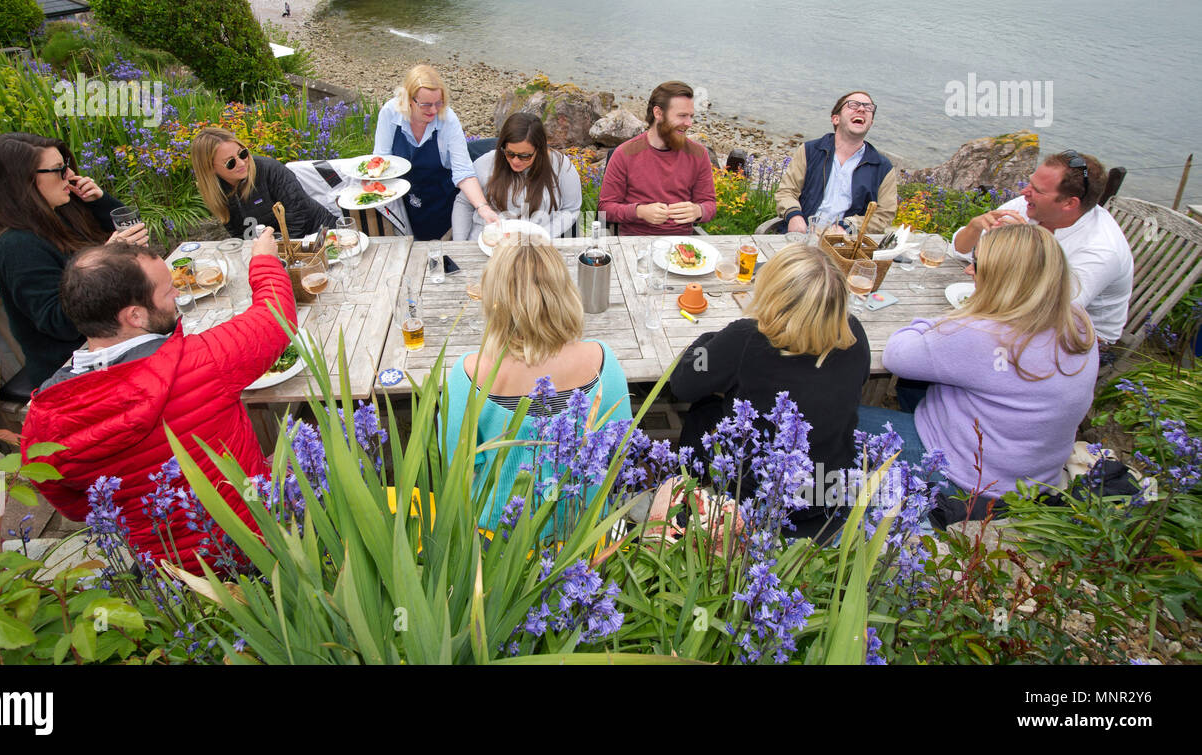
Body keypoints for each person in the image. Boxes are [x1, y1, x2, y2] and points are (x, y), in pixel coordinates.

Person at [20, 226, 296, 570]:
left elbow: (78, 508)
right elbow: (275, 317)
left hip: (168, 575)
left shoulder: (41, 418)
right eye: (168, 292)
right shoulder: (203, 361)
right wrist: (264, 260)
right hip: (255, 544)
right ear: (135, 316)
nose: (178, 295)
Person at [876, 223, 1098, 500]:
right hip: (1036, 478)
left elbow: (896, 353)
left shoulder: (981, 334)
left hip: (969, 481)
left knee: (833, 421)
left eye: (977, 265)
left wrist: (959, 314)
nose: (969, 270)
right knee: (918, 383)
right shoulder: (1077, 322)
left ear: (1004, 281)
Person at [669, 244, 870, 537]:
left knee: (703, 414)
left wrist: (710, 340)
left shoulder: (748, 338)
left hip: (763, 495)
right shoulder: (852, 331)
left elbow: (683, 382)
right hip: (830, 492)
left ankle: (687, 509)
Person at [442, 240, 633, 531]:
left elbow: (456, 466)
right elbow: (620, 451)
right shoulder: (602, 362)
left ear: (495, 301)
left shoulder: (468, 374)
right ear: (565, 293)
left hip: (497, 532)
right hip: (581, 526)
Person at [0, 132, 148, 389]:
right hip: (72, 369)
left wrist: (99, 202)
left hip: (112, 338)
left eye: (67, 166)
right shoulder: (17, 245)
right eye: (59, 170)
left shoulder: (62, 214)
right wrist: (103, 264)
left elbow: (134, 242)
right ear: (24, 181)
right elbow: (61, 324)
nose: (69, 176)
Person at [949, 150, 1133, 345]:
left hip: (1078, 339)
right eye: (1030, 183)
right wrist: (974, 227)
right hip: (1016, 308)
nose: (1024, 192)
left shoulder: (1100, 251)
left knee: (955, 338)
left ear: (1069, 203)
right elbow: (961, 252)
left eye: (1038, 189)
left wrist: (1023, 246)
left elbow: (1049, 312)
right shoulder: (1030, 206)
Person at [374, 64, 498, 240]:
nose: (433, 110)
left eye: (438, 103)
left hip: (440, 202)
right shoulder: (390, 113)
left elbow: (463, 172)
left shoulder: (448, 120)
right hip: (403, 201)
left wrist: (482, 207)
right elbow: (381, 161)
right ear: (409, 100)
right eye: (426, 105)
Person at [597, 81, 717, 236]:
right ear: (658, 113)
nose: (689, 123)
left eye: (691, 116)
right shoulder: (624, 153)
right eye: (682, 116)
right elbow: (605, 208)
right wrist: (639, 211)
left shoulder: (698, 154)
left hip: (681, 244)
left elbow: (710, 205)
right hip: (635, 242)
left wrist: (699, 210)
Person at [775, 90, 897, 236]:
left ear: (870, 123)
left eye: (868, 107)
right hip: (800, 239)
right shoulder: (809, 151)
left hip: (844, 246)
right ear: (836, 119)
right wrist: (794, 215)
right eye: (853, 105)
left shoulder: (883, 168)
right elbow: (786, 191)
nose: (862, 109)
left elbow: (884, 215)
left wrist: (847, 227)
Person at [192, 126, 341, 240]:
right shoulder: (216, 190)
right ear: (210, 169)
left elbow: (298, 217)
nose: (242, 163)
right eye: (230, 162)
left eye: (243, 153)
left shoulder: (269, 169)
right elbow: (238, 234)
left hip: (319, 234)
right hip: (273, 247)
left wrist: (276, 254)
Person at [450, 112, 582, 240]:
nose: (515, 161)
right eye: (510, 153)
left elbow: (571, 209)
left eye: (525, 156)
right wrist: (459, 243)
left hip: (537, 245)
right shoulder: (486, 162)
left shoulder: (561, 166)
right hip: (488, 241)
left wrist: (542, 235)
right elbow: (464, 203)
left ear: (540, 150)